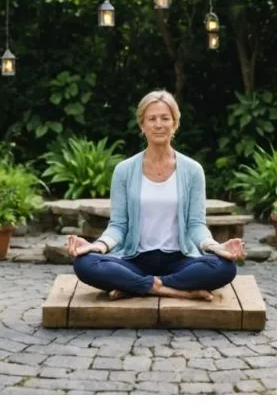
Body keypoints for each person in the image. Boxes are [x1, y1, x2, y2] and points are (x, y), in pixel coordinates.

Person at [67, 90, 244, 301]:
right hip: (134, 260)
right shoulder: (124, 170)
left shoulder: (193, 170)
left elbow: (196, 224)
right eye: (152, 119)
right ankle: (171, 290)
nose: (158, 124)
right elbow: (118, 226)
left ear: (175, 123)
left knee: (224, 268)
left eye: (165, 118)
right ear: (142, 125)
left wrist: (215, 247)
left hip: (180, 260)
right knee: (85, 263)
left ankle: (133, 286)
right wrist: (97, 246)